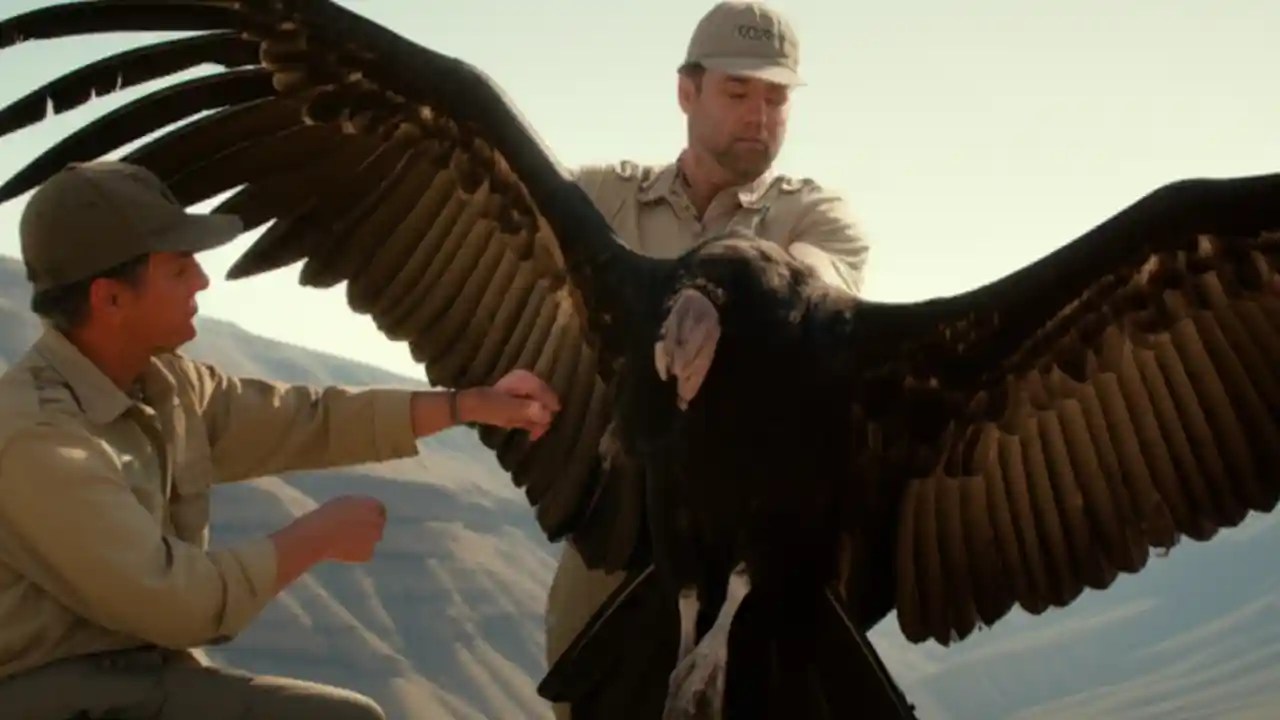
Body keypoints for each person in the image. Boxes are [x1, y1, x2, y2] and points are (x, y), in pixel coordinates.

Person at [0, 160, 562, 719]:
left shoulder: (164, 383)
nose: (201, 280)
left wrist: (466, 404)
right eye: (177, 268)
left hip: (136, 677)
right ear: (110, 299)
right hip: (47, 691)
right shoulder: (39, 438)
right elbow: (179, 604)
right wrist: (316, 536)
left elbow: (303, 419)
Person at [545, 1, 871, 717]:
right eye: (737, 93)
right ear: (686, 92)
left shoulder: (815, 219)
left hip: (760, 571)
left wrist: (718, 295)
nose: (759, 115)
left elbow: (812, 292)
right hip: (618, 550)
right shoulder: (601, 202)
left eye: (776, 98)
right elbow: (493, 222)